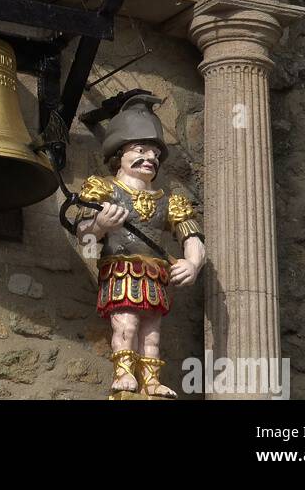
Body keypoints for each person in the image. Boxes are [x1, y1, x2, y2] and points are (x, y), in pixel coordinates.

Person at [76, 94, 205, 397]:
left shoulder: (168, 201)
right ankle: (123, 373)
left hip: (155, 274)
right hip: (121, 268)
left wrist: (193, 263)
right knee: (127, 324)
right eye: (140, 150)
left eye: (155, 153)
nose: (150, 158)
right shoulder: (104, 189)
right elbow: (83, 233)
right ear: (119, 154)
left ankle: (151, 380)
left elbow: (192, 236)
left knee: (152, 332)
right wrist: (100, 224)